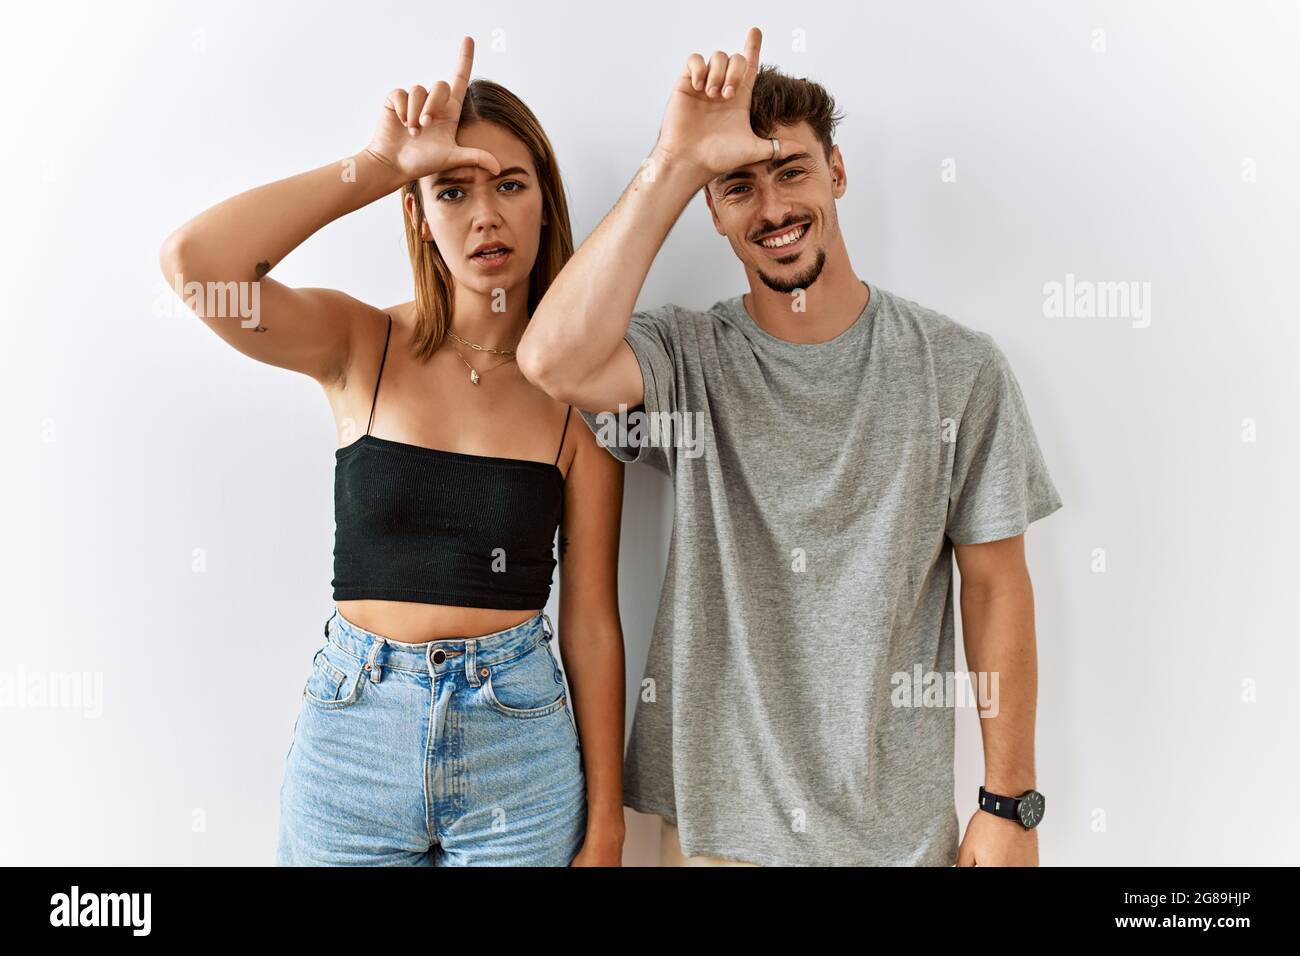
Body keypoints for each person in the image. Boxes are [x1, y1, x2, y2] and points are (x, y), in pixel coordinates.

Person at [517, 27, 1064, 866]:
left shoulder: (957, 368)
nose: (771, 209)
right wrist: (674, 161)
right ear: (712, 209)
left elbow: (995, 586)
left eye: (791, 170)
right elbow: (552, 358)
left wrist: (1010, 804)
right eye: (737, 186)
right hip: (714, 835)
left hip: (900, 839)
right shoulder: (685, 359)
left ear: (836, 173)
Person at [159, 37, 626, 866]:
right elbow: (197, 267)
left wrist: (608, 826)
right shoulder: (357, 343)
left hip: (519, 756)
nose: (486, 215)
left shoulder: (581, 389)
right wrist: (376, 165)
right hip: (354, 746)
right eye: (453, 190)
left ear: (545, 205)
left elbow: (590, 620)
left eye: (511, 185)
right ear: (418, 213)